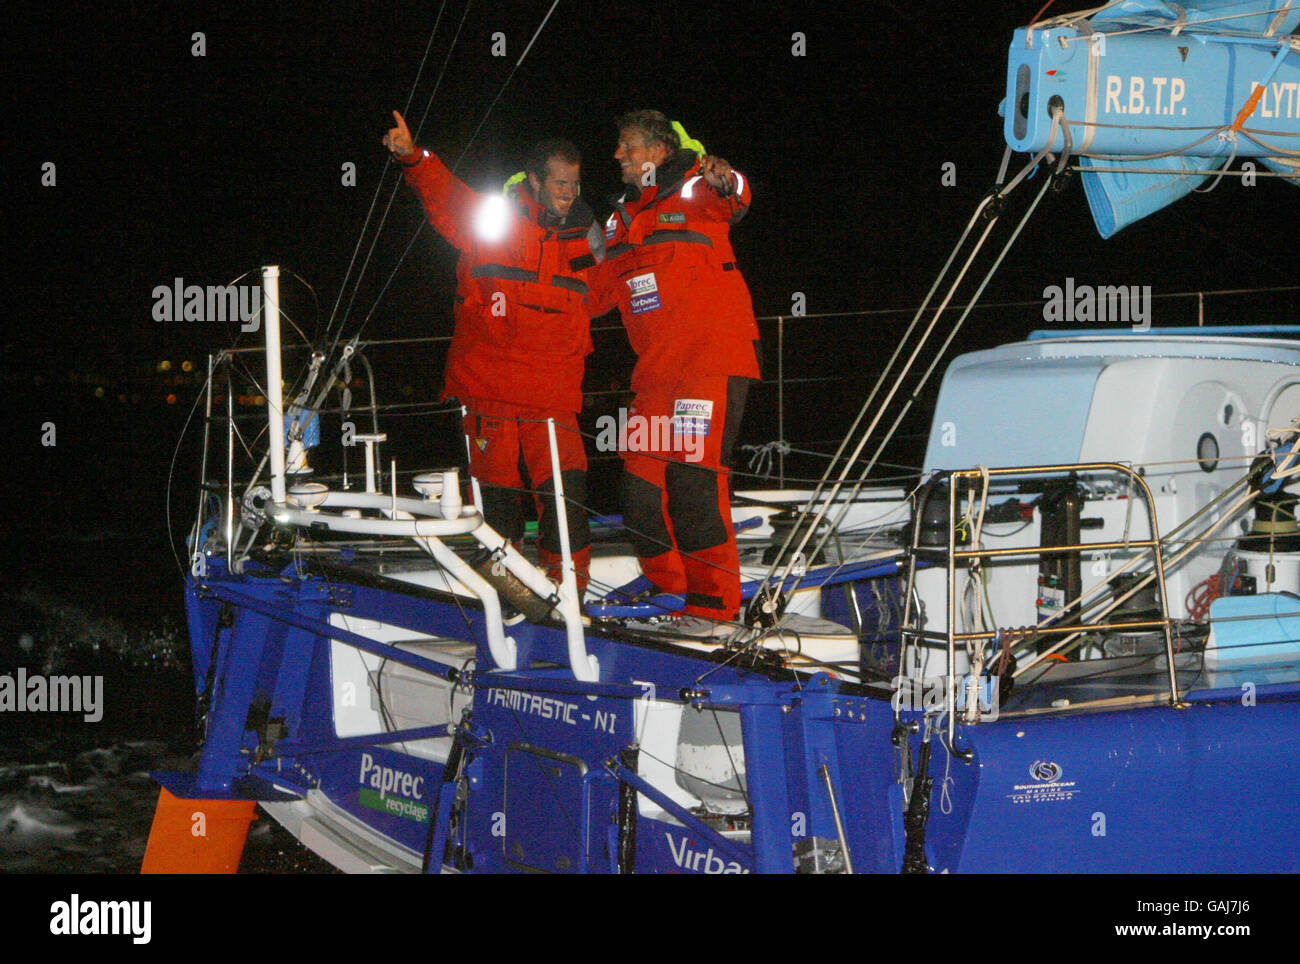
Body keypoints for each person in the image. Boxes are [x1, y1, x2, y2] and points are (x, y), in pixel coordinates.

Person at [383, 110, 602, 591]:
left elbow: (613, 290)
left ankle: (569, 592)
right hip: (491, 393)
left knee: (565, 497)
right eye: (560, 183)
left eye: (575, 184)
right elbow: (445, 197)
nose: (569, 192)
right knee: (497, 500)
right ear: (536, 181)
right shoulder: (492, 220)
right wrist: (412, 156)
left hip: (554, 397)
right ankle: (509, 591)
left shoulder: (588, 239)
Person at [589, 110, 760, 634]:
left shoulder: (693, 190)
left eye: (629, 145)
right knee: (639, 496)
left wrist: (726, 179)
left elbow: (733, 197)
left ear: (659, 152)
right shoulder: (617, 222)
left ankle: (714, 610)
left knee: (692, 484)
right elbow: (591, 298)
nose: (618, 155)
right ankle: (673, 596)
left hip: (710, 362)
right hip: (655, 377)